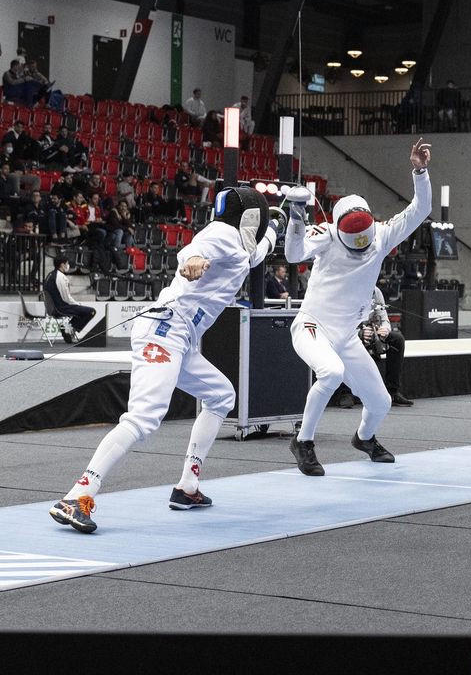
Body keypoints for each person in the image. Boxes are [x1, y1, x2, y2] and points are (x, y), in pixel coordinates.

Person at [49, 187, 285, 533]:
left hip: (181, 339)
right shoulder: (222, 233)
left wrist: (278, 226)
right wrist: (191, 263)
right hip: (164, 331)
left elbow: (253, 256)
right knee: (143, 419)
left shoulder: (238, 247)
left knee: (221, 395)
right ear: (250, 217)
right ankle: (78, 495)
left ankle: (188, 487)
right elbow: (192, 253)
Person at [284, 138, 432, 477]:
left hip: (346, 336)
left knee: (381, 402)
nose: (361, 248)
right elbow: (294, 255)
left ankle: (364, 438)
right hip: (312, 327)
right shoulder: (326, 234)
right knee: (331, 373)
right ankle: (303, 442)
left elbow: (420, 210)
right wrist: (295, 219)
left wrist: (420, 171)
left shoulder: (381, 234)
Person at [363, 286, 412, 407]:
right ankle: (345, 392)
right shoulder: (345, 287)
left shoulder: (375, 291)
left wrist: (384, 329)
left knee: (397, 340)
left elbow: (384, 318)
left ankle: (392, 391)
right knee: (346, 342)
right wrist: (359, 332)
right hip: (351, 332)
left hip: (373, 330)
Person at [42, 255, 95, 340]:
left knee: (80, 311)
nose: (68, 265)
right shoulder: (60, 277)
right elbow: (66, 298)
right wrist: (77, 304)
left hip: (52, 308)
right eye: (67, 263)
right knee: (91, 311)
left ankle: (69, 328)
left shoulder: (50, 274)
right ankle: (70, 329)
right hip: (60, 308)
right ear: (62, 265)